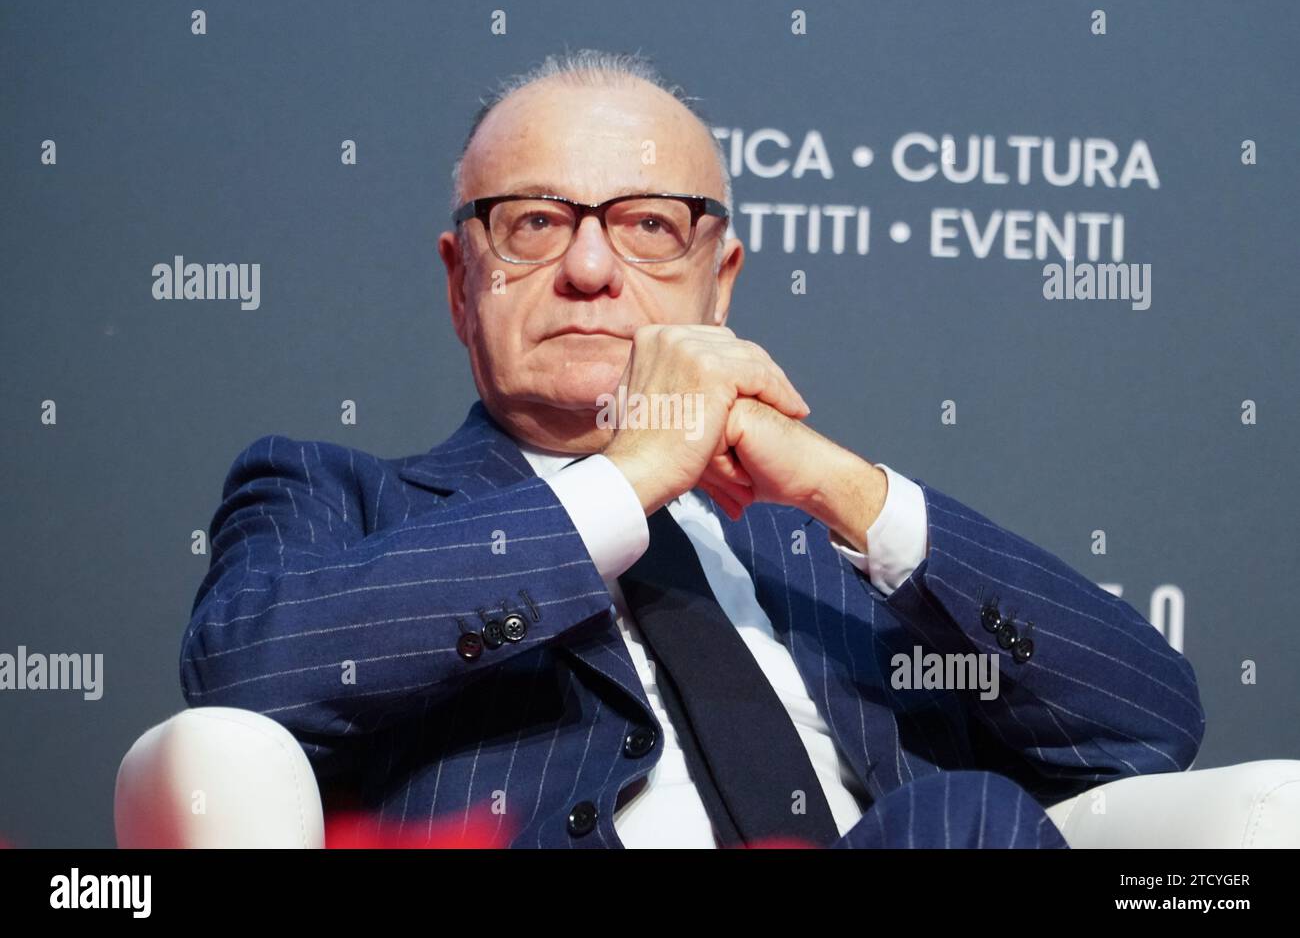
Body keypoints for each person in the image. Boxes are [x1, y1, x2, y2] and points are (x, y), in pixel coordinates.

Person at [180, 49, 1204, 849]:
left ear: (719, 283)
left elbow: (1143, 722)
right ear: (461, 281)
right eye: (534, 222)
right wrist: (625, 481)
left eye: (647, 226)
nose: (588, 267)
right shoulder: (334, 495)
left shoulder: (829, 553)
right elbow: (250, 671)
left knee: (963, 825)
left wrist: (848, 490)